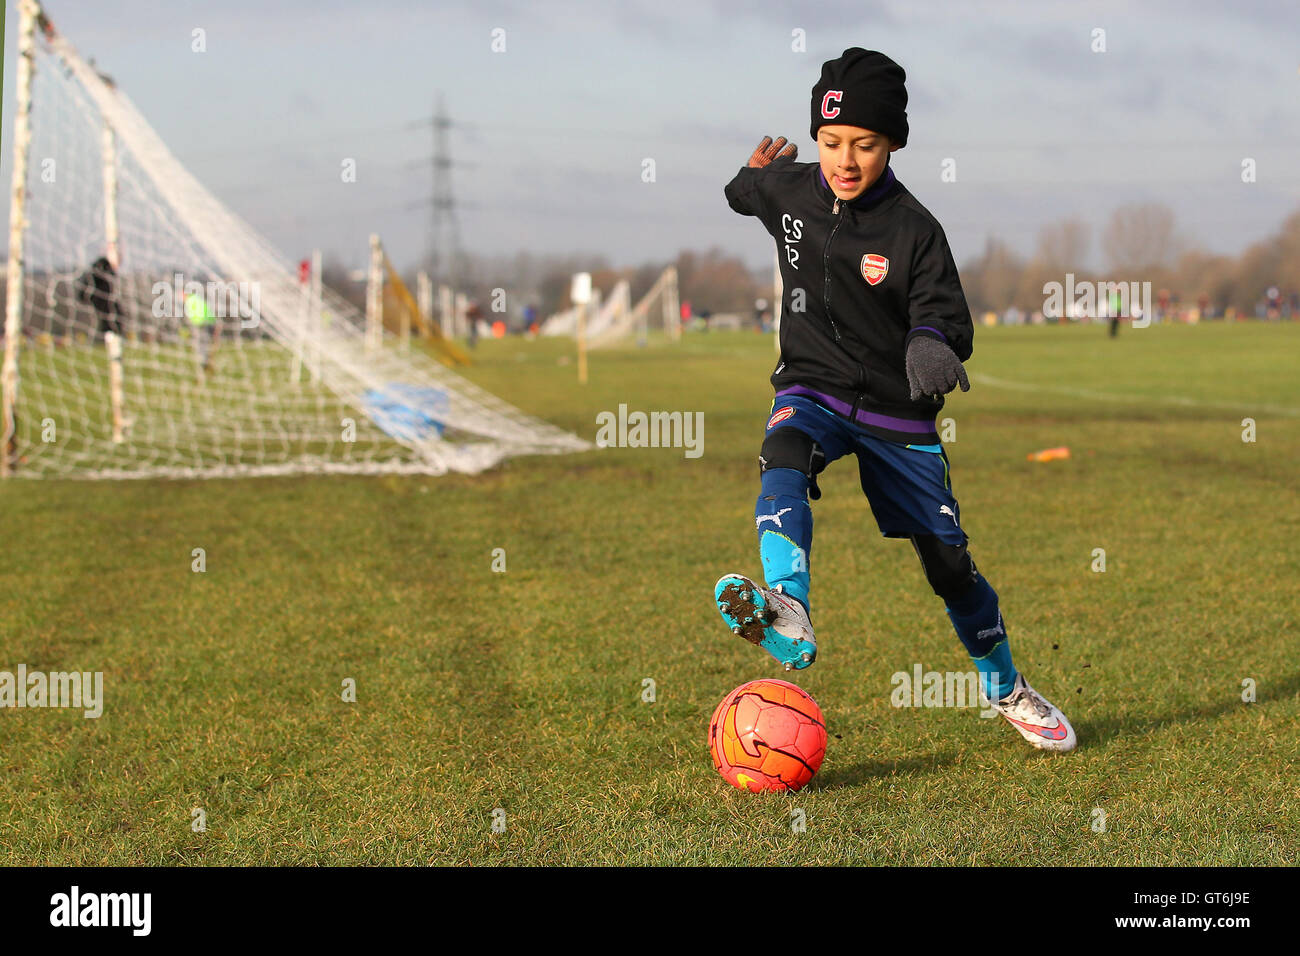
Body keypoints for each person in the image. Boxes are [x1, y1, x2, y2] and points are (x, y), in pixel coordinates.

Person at [717, 48, 1075, 752]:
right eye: (830, 143)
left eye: (866, 145)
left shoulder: (915, 230)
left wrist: (930, 342)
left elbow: (947, 316)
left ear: (894, 143)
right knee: (783, 450)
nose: (844, 161)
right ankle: (788, 603)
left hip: (894, 413)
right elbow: (746, 193)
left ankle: (1007, 689)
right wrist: (747, 178)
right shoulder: (792, 190)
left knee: (948, 565)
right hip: (810, 385)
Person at [76, 255, 124, 340]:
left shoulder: (98, 274)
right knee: (111, 324)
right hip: (105, 307)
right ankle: (112, 339)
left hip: (107, 307)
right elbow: (83, 294)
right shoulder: (96, 276)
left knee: (113, 323)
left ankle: (113, 339)